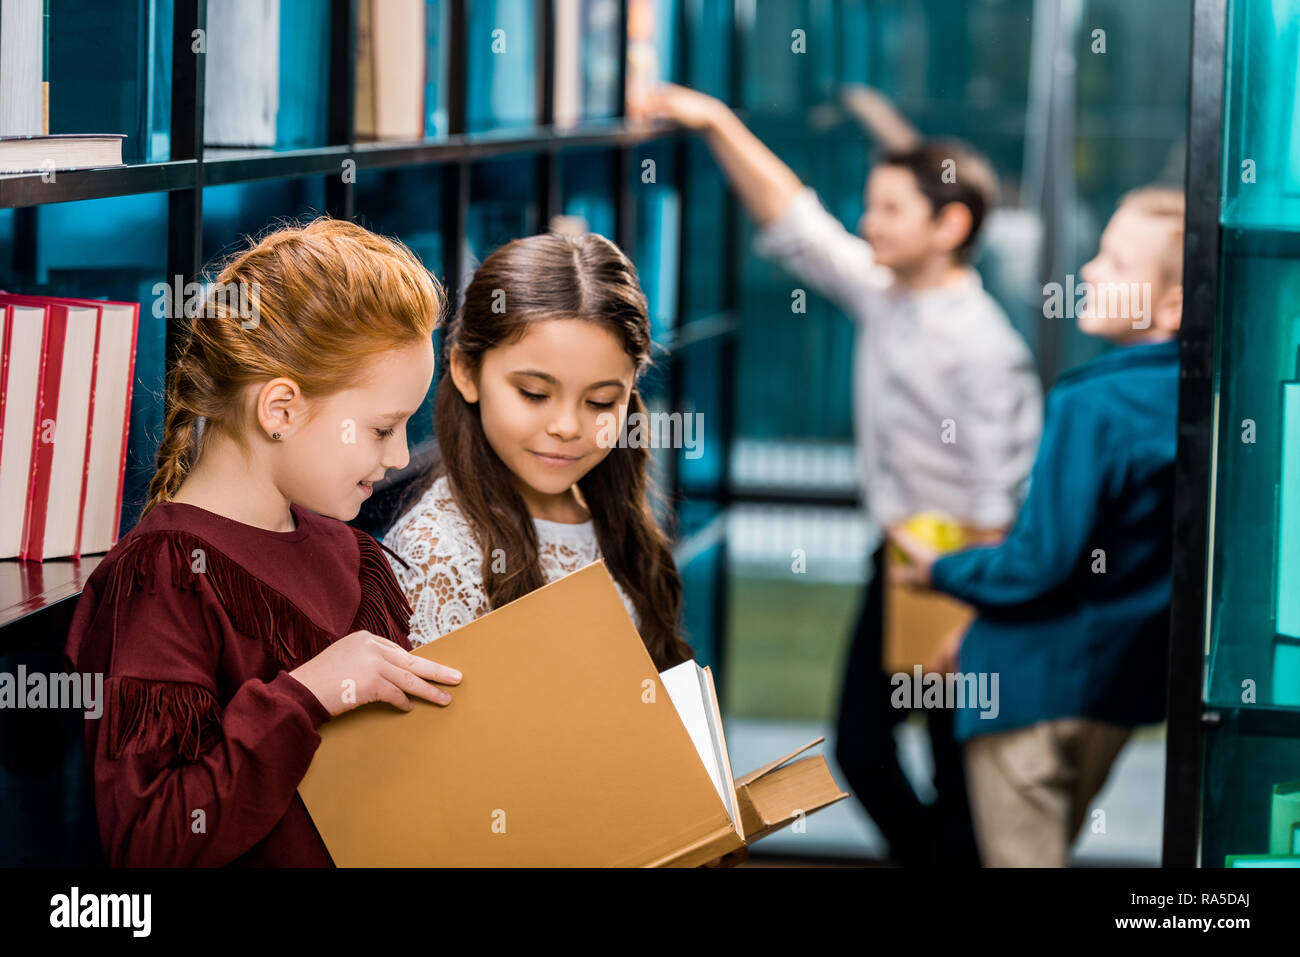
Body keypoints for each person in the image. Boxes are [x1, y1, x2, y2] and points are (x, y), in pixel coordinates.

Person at [637, 83, 1042, 866]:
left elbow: (1003, 498)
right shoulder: (889, 295)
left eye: (890, 209)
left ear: (949, 224)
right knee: (865, 747)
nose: (869, 222)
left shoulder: (987, 347)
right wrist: (719, 119)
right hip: (901, 562)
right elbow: (795, 220)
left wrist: (972, 613)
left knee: (957, 769)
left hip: (966, 575)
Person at [63, 219, 463, 867]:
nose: (397, 455)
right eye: (382, 427)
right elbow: (152, 841)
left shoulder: (348, 554)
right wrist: (305, 695)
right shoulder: (160, 578)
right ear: (280, 409)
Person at [890, 185, 1185, 866]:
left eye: (1113, 263)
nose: (1089, 272)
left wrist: (938, 569)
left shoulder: (1090, 402)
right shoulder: (1209, 400)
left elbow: (1036, 563)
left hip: (1030, 693)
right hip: (1114, 696)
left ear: (1170, 305)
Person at [385, 231, 694, 672]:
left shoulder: (617, 518)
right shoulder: (437, 552)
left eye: (601, 402)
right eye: (533, 393)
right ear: (466, 371)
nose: (566, 427)